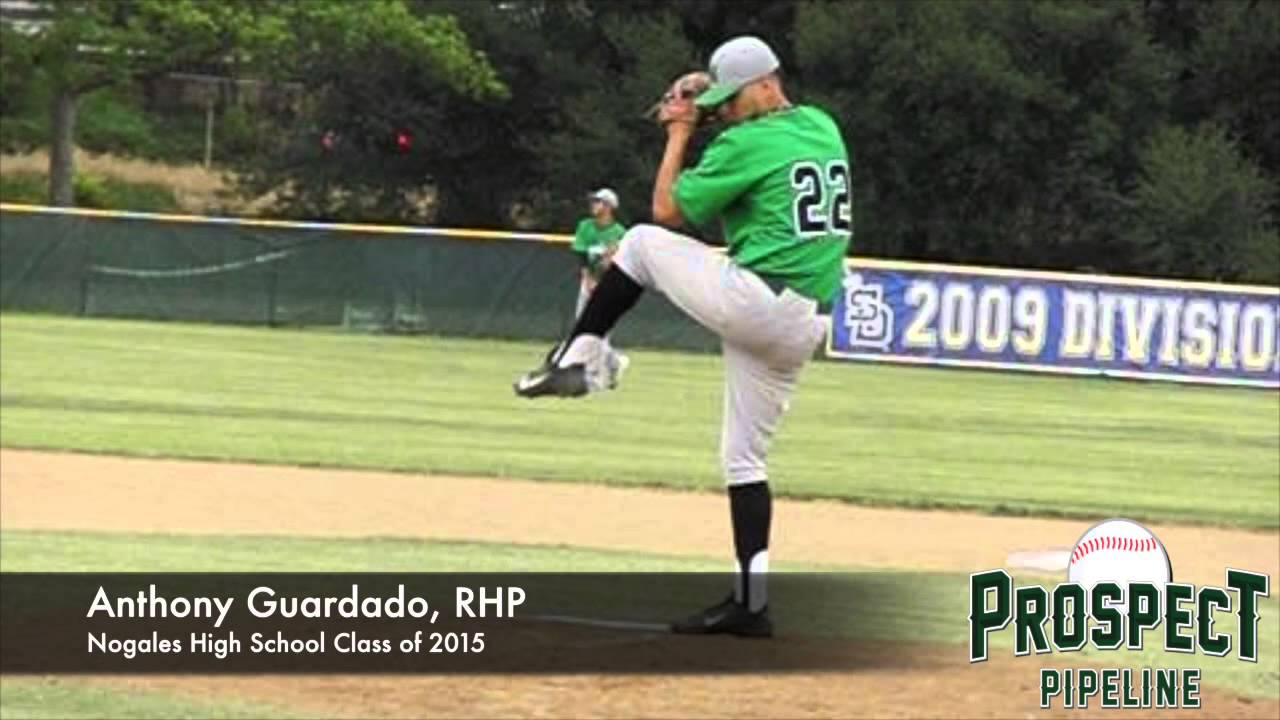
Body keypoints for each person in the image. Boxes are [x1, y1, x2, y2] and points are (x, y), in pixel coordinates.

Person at [514, 36, 851, 638]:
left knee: (641, 241)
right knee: (743, 460)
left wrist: (678, 132)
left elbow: (669, 209)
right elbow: (763, 135)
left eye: (733, 97)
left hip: (761, 300)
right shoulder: (822, 126)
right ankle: (752, 605)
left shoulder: (745, 141)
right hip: (807, 322)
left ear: (767, 84)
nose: (726, 109)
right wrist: (714, 99)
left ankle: (578, 358)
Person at [570, 189, 628, 383]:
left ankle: (594, 373)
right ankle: (613, 362)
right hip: (588, 284)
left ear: (609, 207)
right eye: (593, 202)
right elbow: (580, 256)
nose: (593, 205)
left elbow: (620, 263)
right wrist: (588, 281)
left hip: (609, 287)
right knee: (582, 330)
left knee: (601, 332)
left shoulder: (619, 232)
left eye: (598, 202)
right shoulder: (585, 226)